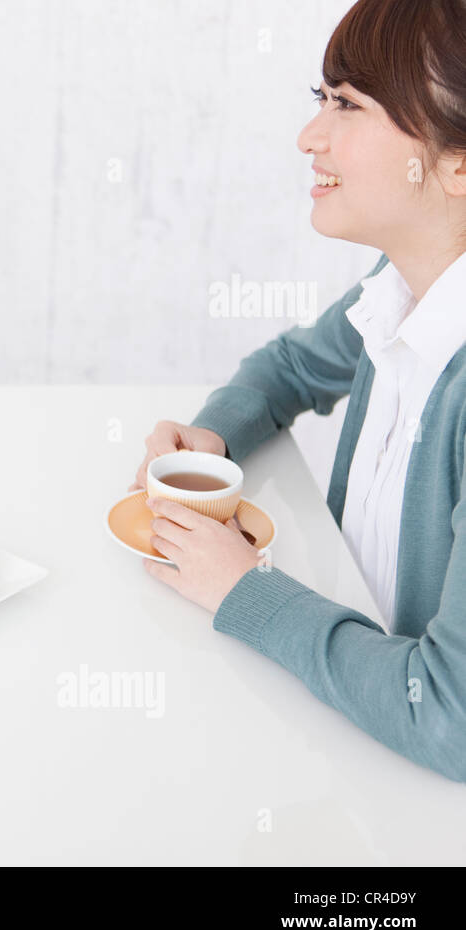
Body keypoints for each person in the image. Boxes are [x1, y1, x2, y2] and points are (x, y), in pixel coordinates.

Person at [131, 0, 466, 781]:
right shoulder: (405, 285)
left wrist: (247, 592)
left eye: (348, 105)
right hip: (351, 736)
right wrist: (214, 438)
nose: (309, 136)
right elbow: (289, 369)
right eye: (321, 100)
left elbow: (447, 715)